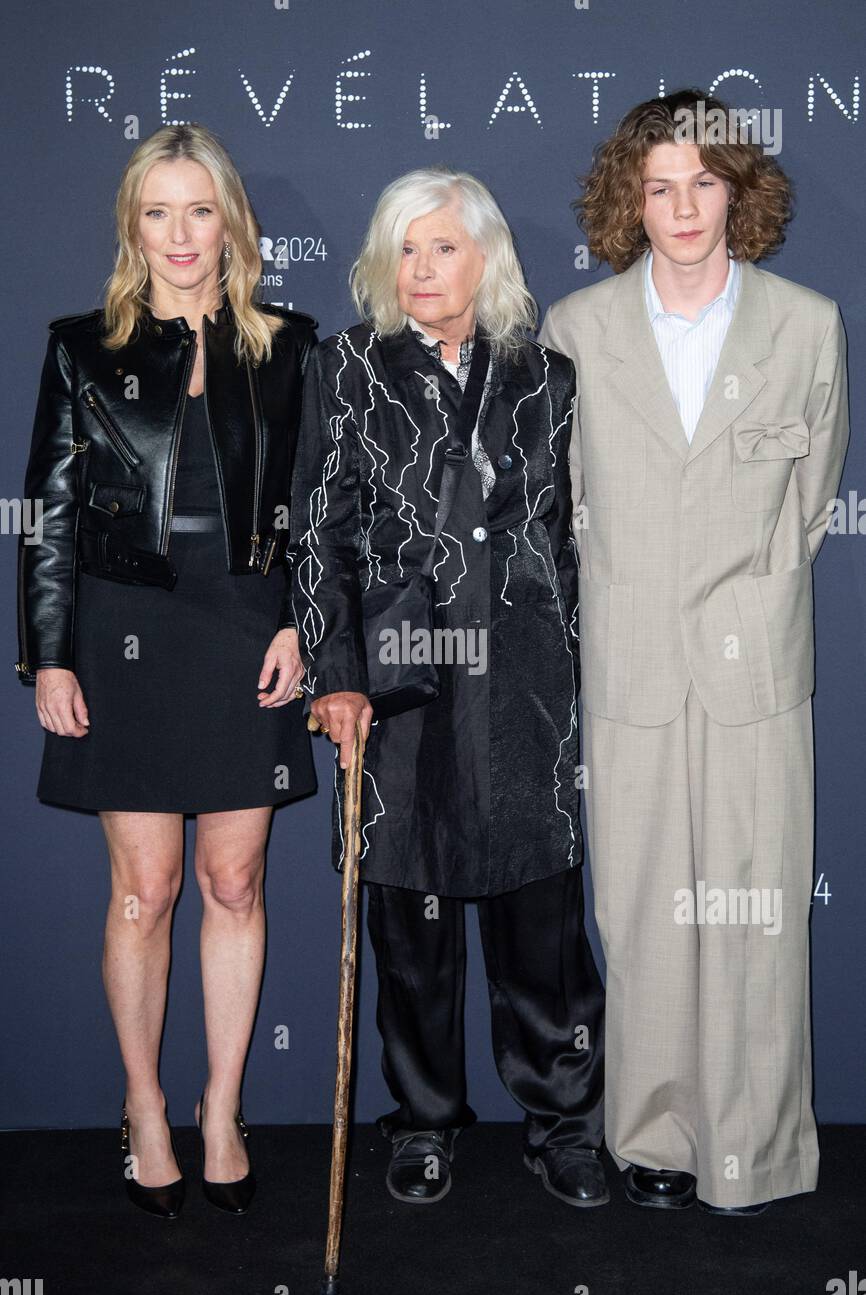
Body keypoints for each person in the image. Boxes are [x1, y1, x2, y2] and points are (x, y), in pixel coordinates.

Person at [539, 90, 849, 1214]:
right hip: (626, 669)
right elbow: (563, 507)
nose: (681, 207)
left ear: (737, 192)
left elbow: (809, 506)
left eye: (702, 182)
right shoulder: (577, 331)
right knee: (641, 910)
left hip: (752, 666)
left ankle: (754, 1147)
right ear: (630, 197)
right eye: (658, 185)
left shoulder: (805, 325)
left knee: (754, 912)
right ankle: (658, 1142)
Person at [16, 123, 318, 1218]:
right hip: (124, 632)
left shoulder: (289, 347)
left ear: (230, 222)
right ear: (132, 227)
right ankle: (143, 1106)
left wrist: (303, 624)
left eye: (200, 210)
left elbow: (319, 514)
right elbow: (47, 517)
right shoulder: (80, 347)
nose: (181, 235)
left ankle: (220, 1108)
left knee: (235, 883)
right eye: (158, 212)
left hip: (248, 631)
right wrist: (46, 652)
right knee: (146, 892)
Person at [291, 167, 606, 1207]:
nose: (422, 268)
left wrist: (575, 680)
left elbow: (565, 544)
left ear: (485, 258)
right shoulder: (345, 368)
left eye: (444, 247)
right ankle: (422, 1122)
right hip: (398, 692)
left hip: (523, 692)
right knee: (411, 927)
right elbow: (320, 533)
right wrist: (334, 678)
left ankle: (563, 1122)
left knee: (542, 932)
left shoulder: (544, 377)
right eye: (405, 249)